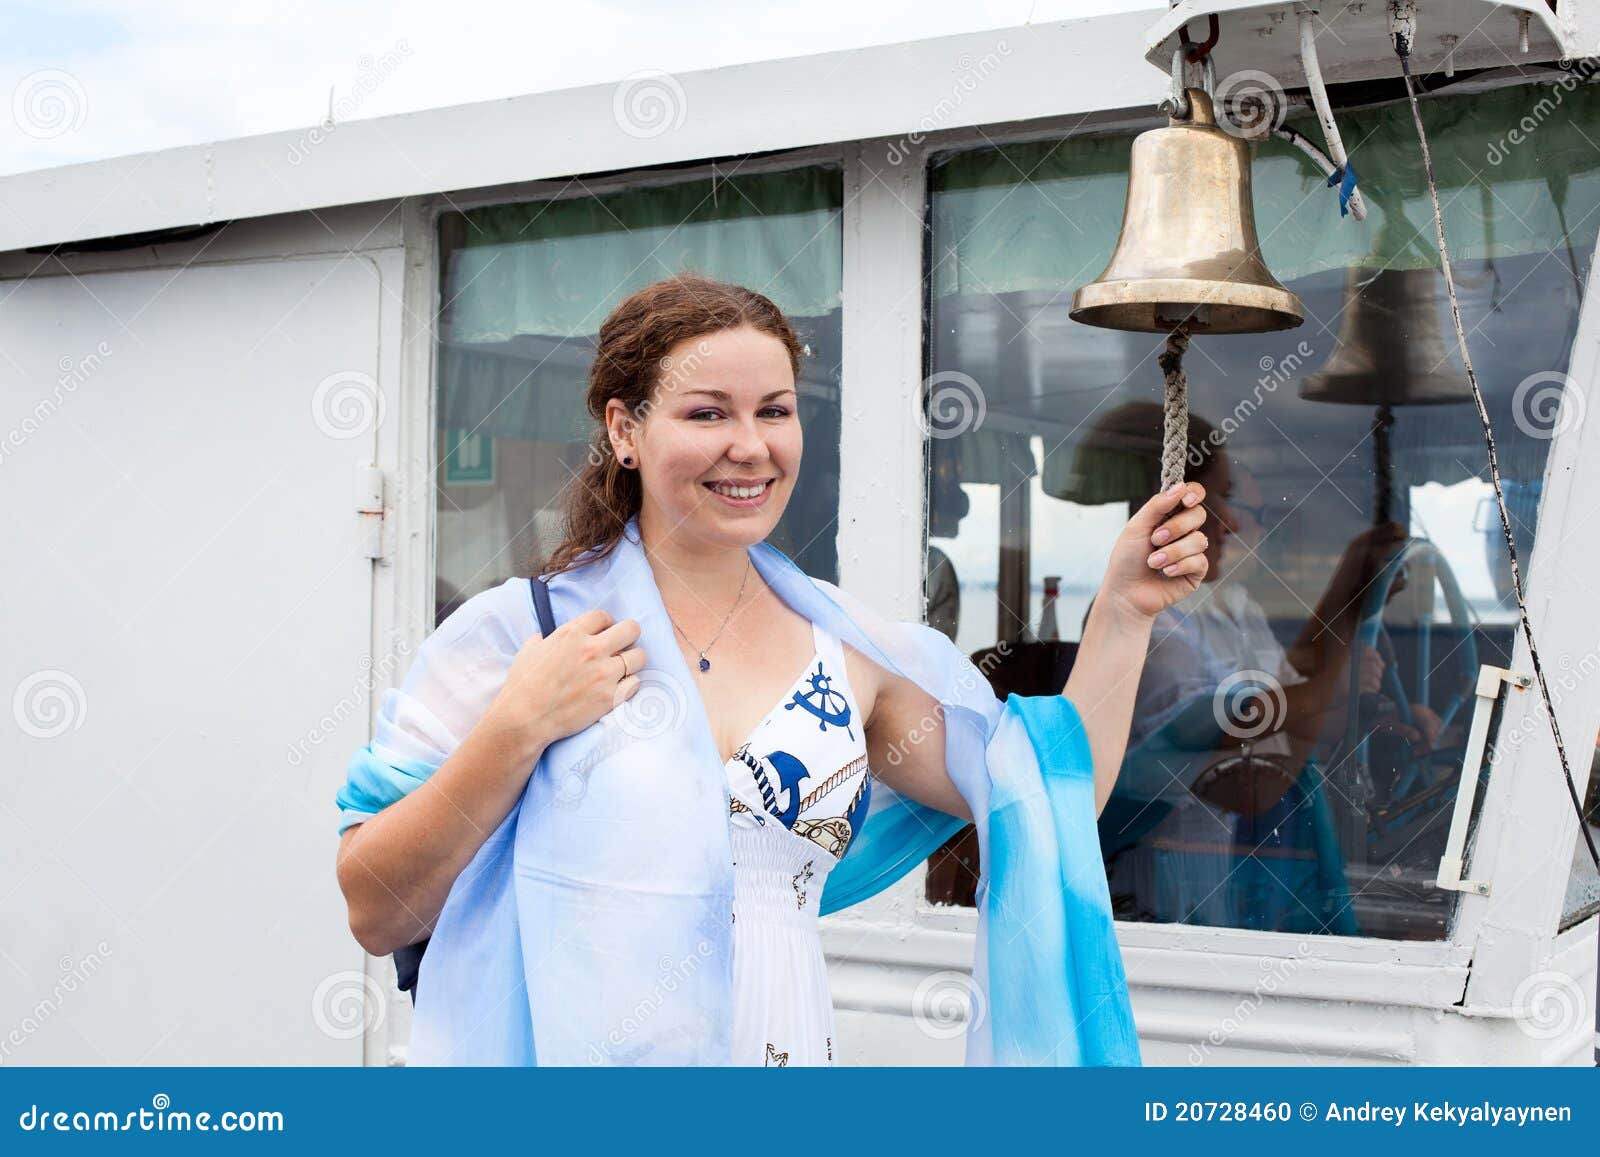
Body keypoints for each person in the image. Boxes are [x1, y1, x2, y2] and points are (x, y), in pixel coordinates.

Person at [333, 274, 1211, 1066]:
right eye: (707, 413)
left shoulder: (847, 650)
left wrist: (1123, 610)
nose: (750, 446)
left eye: (775, 410)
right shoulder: (513, 635)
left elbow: (1051, 797)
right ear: (624, 429)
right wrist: (514, 727)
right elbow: (376, 911)